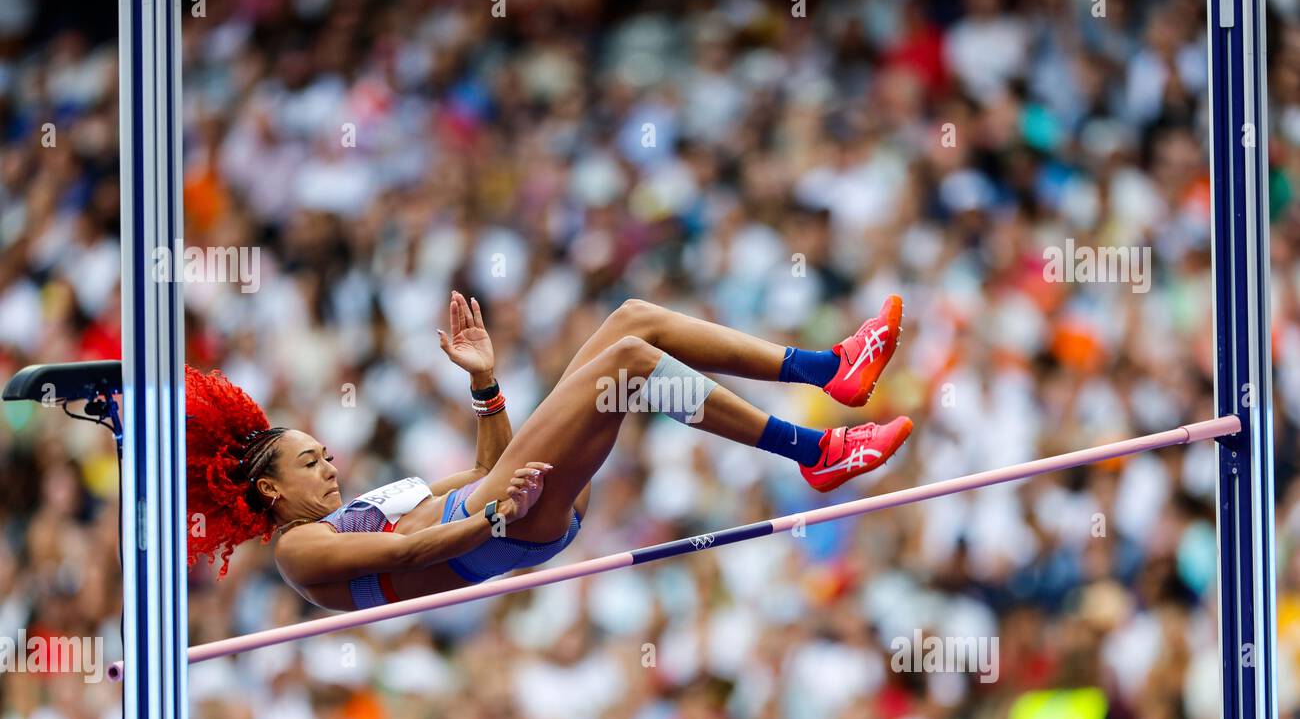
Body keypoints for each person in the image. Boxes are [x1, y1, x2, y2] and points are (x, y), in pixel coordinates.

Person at [186, 292, 913, 611]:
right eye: (311, 462)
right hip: (500, 533)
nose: (331, 463)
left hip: (507, 502)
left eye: (324, 452)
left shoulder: (355, 510)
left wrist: (485, 386)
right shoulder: (298, 551)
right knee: (626, 364)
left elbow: (483, 470)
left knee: (633, 321)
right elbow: (410, 557)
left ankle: (827, 370)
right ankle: (815, 450)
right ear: (272, 492)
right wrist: (498, 519)